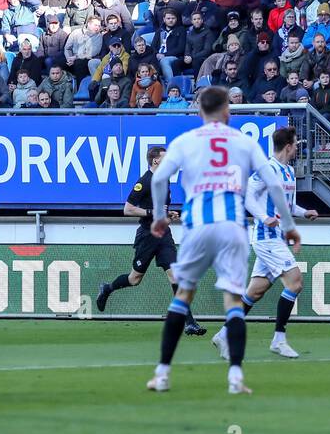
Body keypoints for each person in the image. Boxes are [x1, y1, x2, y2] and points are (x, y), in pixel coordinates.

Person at [146, 86, 300, 395]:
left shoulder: (185, 142)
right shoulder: (243, 142)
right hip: (233, 227)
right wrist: (290, 225)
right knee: (233, 300)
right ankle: (235, 379)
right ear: (228, 112)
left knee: (183, 296)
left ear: (200, 111)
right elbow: (272, 183)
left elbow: (160, 178)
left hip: (196, 226)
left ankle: (162, 374)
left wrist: (160, 216)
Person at [211, 127, 318, 361]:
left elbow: (286, 206)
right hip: (266, 238)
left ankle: (224, 333)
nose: (297, 148)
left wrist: (303, 212)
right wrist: (263, 217)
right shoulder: (266, 169)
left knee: (256, 291)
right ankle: (279, 340)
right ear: (288, 146)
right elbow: (247, 196)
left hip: (277, 239)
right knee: (295, 282)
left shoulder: (288, 172)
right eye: (296, 144)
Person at [95, 146, 205, 335]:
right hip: (147, 236)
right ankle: (107, 288)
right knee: (134, 279)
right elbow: (128, 209)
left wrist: (168, 215)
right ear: (155, 161)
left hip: (164, 235)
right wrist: (151, 212)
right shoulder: (145, 181)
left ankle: (189, 323)